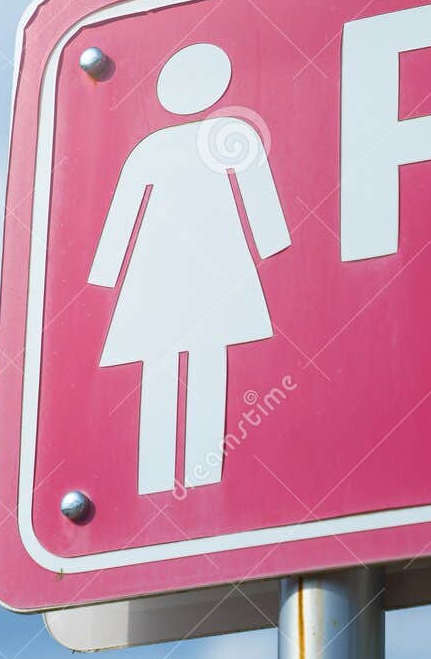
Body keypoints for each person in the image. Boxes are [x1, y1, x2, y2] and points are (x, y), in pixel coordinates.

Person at [87, 43, 291, 495]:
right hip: (180, 268)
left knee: (186, 359)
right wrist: (271, 246)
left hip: (186, 266)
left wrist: (106, 272)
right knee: (187, 360)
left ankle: (187, 477)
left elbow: (258, 197)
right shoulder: (199, 140)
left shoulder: (171, 144)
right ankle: (176, 478)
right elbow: (125, 213)